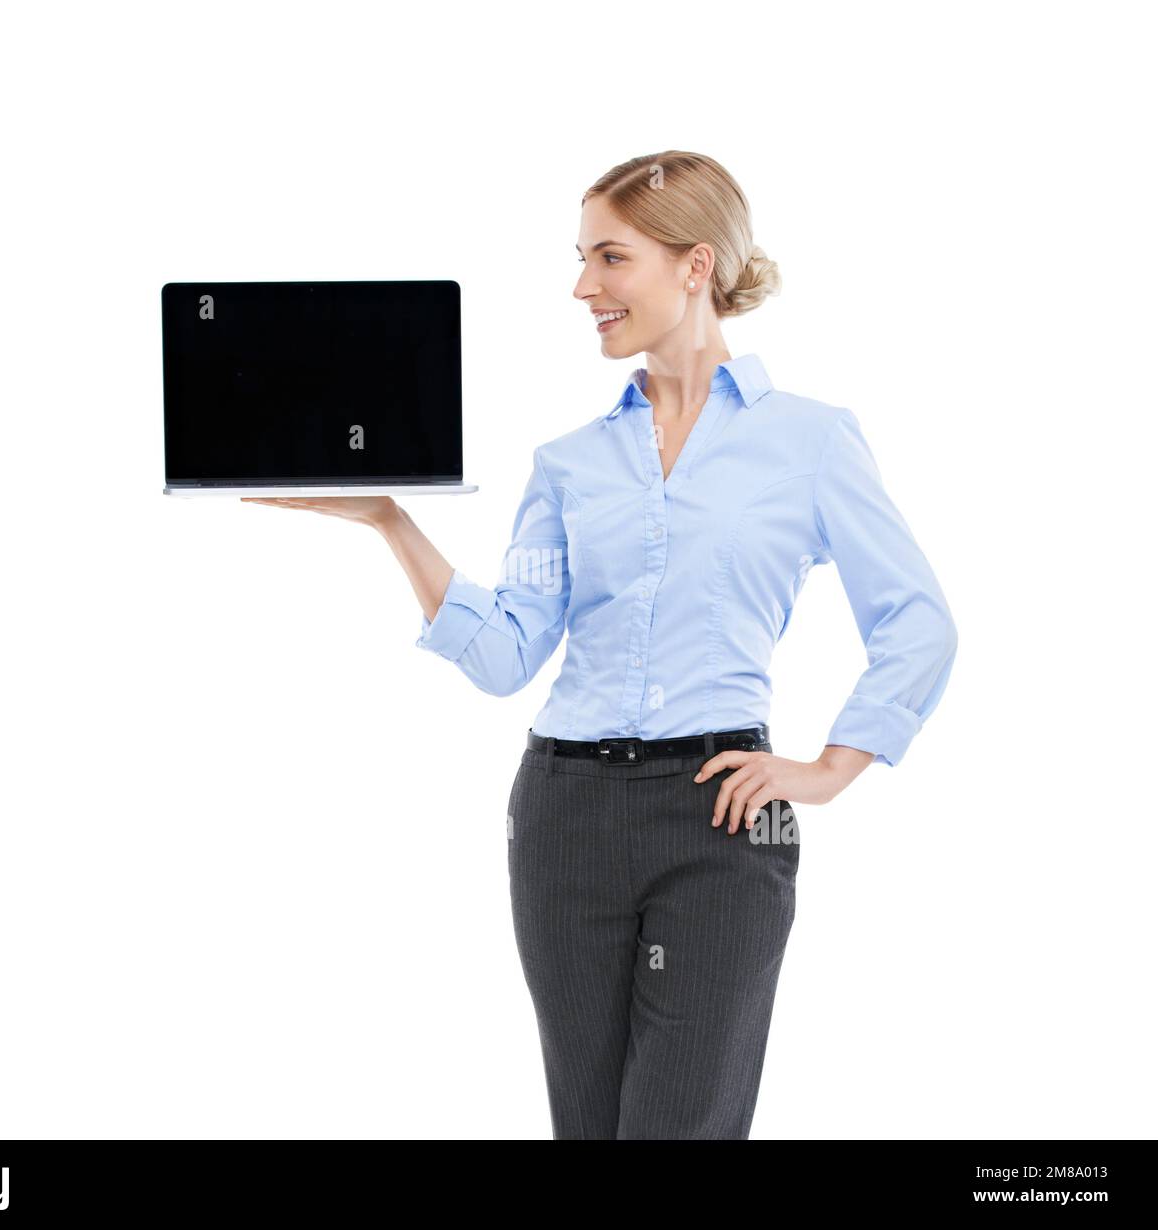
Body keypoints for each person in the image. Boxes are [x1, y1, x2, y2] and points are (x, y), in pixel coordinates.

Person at [244, 150, 958, 1139]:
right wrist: (387, 522)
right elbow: (505, 656)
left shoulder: (811, 443)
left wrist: (830, 769)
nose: (583, 286)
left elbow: (917, 622)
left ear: (694, 265)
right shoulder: (569, 465)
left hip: (720, 816)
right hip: (563, 818)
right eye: (582, 259)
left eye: (609, 257)